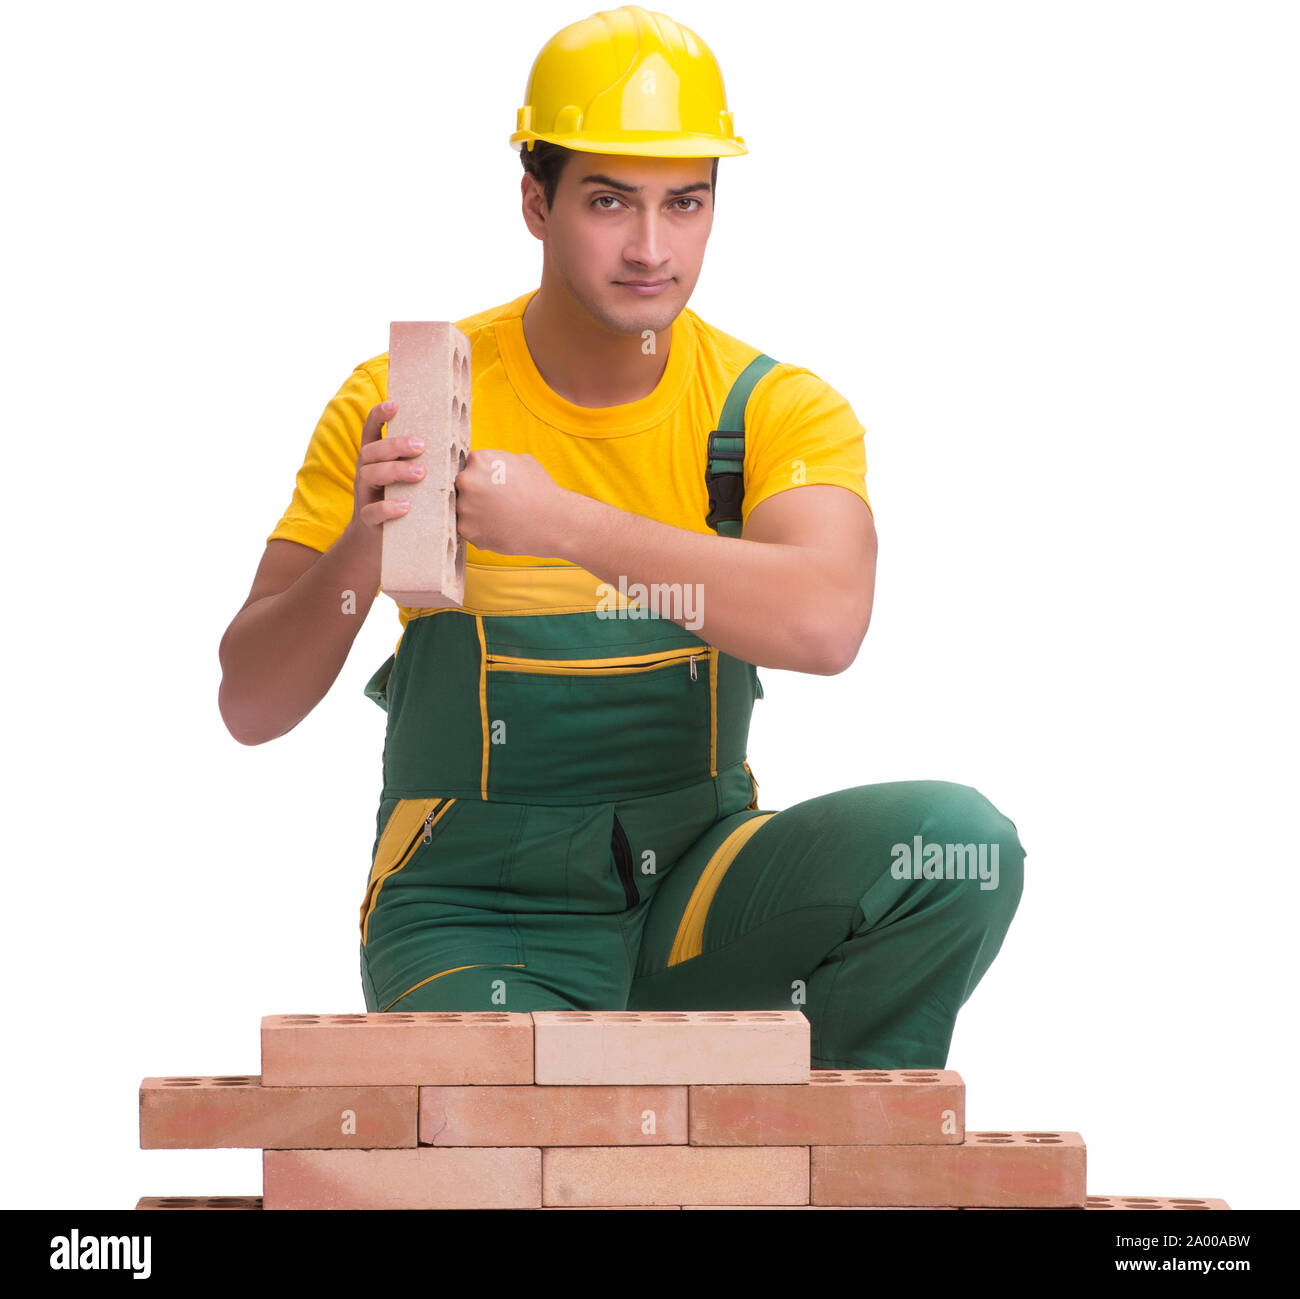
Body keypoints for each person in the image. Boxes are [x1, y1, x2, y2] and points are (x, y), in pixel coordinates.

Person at [217, 4, 1024, 1068]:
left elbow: (827, 624)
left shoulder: (770, 410)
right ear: (534, 201)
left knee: (957, 848)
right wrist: (367, 547)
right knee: (507, 1118)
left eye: (683, 203)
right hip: (473, 913)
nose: (651, 247)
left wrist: (561, 524)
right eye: (608, 201)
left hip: (696, 894)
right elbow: (250, 704)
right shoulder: (402, 401)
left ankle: (823, 1152)